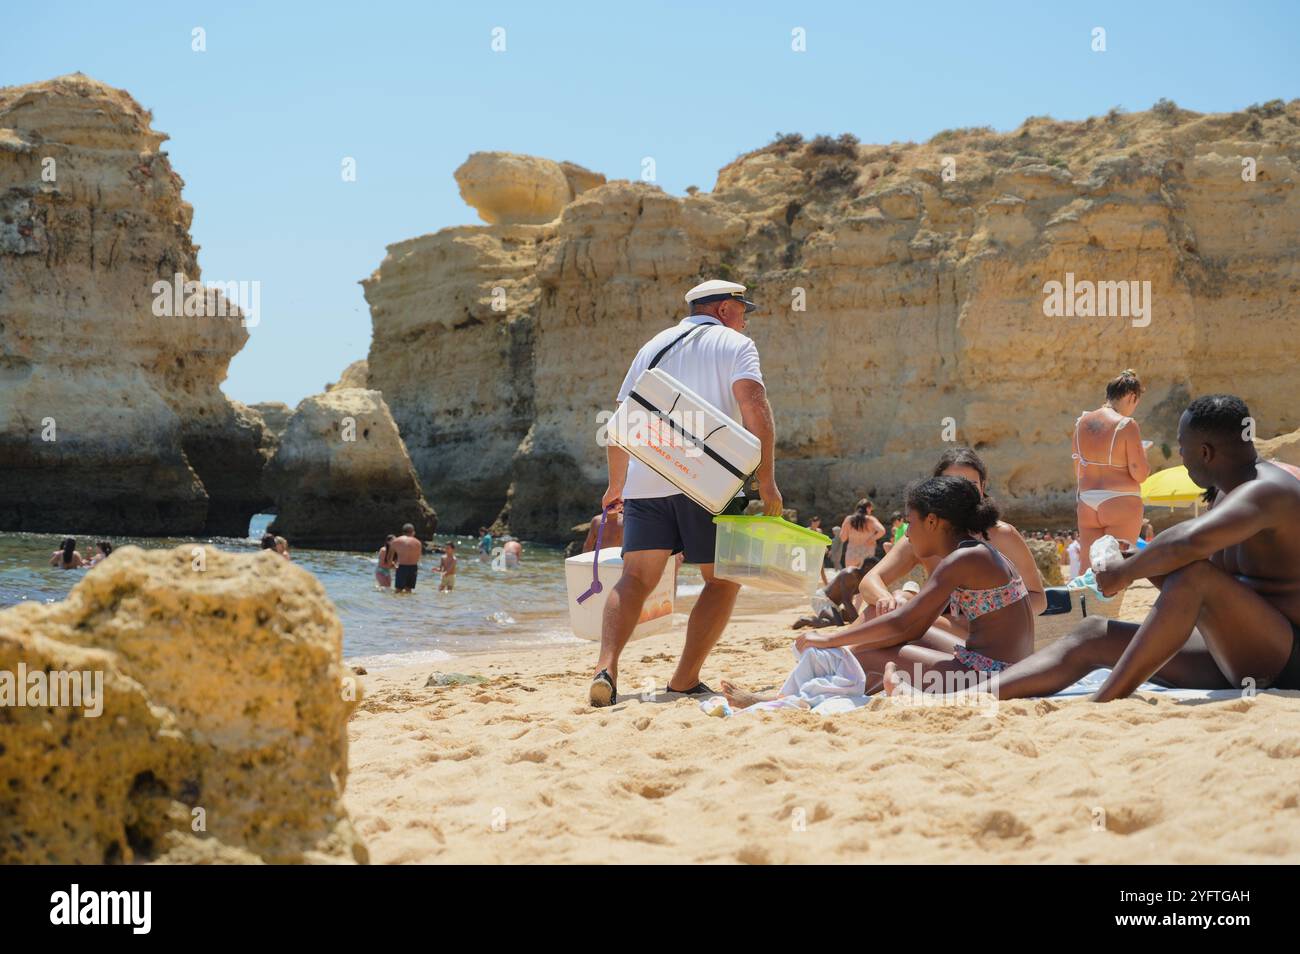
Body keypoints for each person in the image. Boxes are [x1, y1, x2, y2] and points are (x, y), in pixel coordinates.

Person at [890, 395, 1300, 701]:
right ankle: (957, 700)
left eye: (1183, 446)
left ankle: (1104, 700)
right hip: (1231, 650)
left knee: (1194, 573)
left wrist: (1124, 572)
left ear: (1205, 452)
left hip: (1282, 658)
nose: (1180, 455)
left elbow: (1189, 546)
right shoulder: (1231, 493)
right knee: (1092, 634)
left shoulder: (1267, 490)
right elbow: (1183, 569)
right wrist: (1124, 562)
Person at [590, 278, 781, 707]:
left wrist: (616, 486)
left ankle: (606, 666)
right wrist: (766, 479)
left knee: (636, 577)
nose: (746, 319)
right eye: (743, 309)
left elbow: (622, 423)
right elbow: (754, 407)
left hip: (648, 478)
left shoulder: (652, 347)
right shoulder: (735, 346)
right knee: (723, 579)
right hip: (711, 483)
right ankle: (683, 680)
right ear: (724, 310)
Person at [722, 476, 1036, 706]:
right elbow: (910, 622)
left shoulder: (961, 559)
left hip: (990, 676)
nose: (907, 533)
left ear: (933, 521)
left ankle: (781, 700)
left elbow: (906, 625)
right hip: (1002, 664)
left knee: (870, 654)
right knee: (870, 639)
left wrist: (831, 637)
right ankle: (800, 687)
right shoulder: (974, 551)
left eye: (910, 523)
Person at [857, 447, 1046, 638]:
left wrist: (989, 617)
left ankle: (839, 656)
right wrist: (884, 599)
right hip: (939, 628)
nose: (961, 493)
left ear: (983, 486)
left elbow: (1038, 597)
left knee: (899, 610)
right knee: (888, 605)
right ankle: (841, 657)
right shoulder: (924, 534)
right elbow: (870, 580)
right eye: (952, 483)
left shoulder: (1002, 536)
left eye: (970, 484)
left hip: (984, 636)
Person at [1073, 369, 1152, 571]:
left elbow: (1078, 469)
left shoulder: (1081, 422)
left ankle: (1086, 603)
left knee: (1087, 567)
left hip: (1087, 500)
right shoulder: (1126, 425)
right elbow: (1140, 474)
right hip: (1120, 500)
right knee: (1116, 569)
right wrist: (1142, 453)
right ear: (1132, 396)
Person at [794, 557, 877, 630]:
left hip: (835, 605)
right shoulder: (850, 574)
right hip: (822, 599)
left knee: (851, 618)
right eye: (874, 569)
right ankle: (807, 620)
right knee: (836, 623)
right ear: (867, 567)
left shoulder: (863, 579)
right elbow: (846, 601)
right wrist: (859, 623)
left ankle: (833, 614)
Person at [838, 499, 885, 567]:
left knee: (850, 576)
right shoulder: (870, 519)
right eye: (871, 510)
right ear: (868, 508)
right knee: (865, 576)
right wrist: (872, 539)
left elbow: (843, 538)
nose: (871, 512)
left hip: (852, 553)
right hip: (867, 553)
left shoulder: (849, 519)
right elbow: (882, 530)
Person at [391, 523, 422, 592]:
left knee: (398, 590)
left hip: (402, 567)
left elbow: (390, 556)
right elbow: (418, 557)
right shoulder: (418, 542)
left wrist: (392, 564)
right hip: (413, 567)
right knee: (409, 590)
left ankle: (396, 602)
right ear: (413, 532)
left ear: (403, 531)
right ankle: (408, 602)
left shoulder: (396, 541)